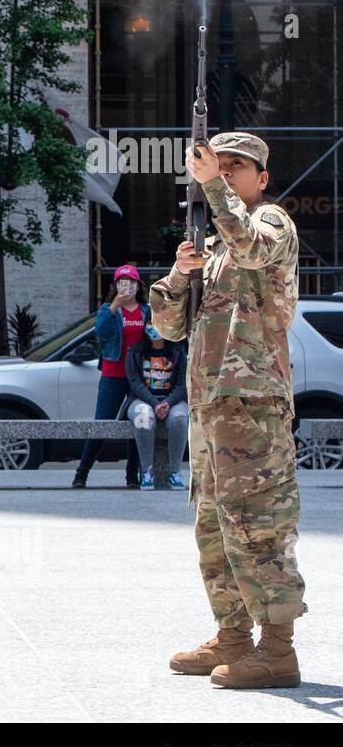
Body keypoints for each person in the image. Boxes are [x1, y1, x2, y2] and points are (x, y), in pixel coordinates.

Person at [150, 131, 306, 689]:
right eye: (221, 166)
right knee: (215, 528)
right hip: (212, 410)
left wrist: (212, 185)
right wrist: (179, 275)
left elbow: (251, 246)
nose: (228, 173)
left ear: (261, 179)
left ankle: (278, 649)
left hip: (254, 408)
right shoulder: (213, 248)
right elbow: (168, 327)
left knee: (260, 524)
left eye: (238, 167)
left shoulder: (271, 225)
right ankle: (233, 635)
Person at [71, 264, 151, 488]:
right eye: (122, 283)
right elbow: (101, 332)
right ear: (115, 286)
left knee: (138, 422)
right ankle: (81, 473)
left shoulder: (146, 311)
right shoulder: (109, 309)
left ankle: (131, 475)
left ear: (138, 285)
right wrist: (115, 304)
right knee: (102, 423)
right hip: (113, 373)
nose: (127, 287)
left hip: (139, 376)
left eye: (131, 283)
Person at [124, 324, 189, 490]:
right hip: (142, 400)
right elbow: (135, 384)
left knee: (180, 418)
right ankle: (147, 471)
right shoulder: (135, 352)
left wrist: (168, 402)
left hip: (172, 401)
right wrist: (155, 403)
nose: (155, 327)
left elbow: (182, 385)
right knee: (144, 417)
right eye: (150, 322)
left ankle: (175, 472)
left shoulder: (178, 352)